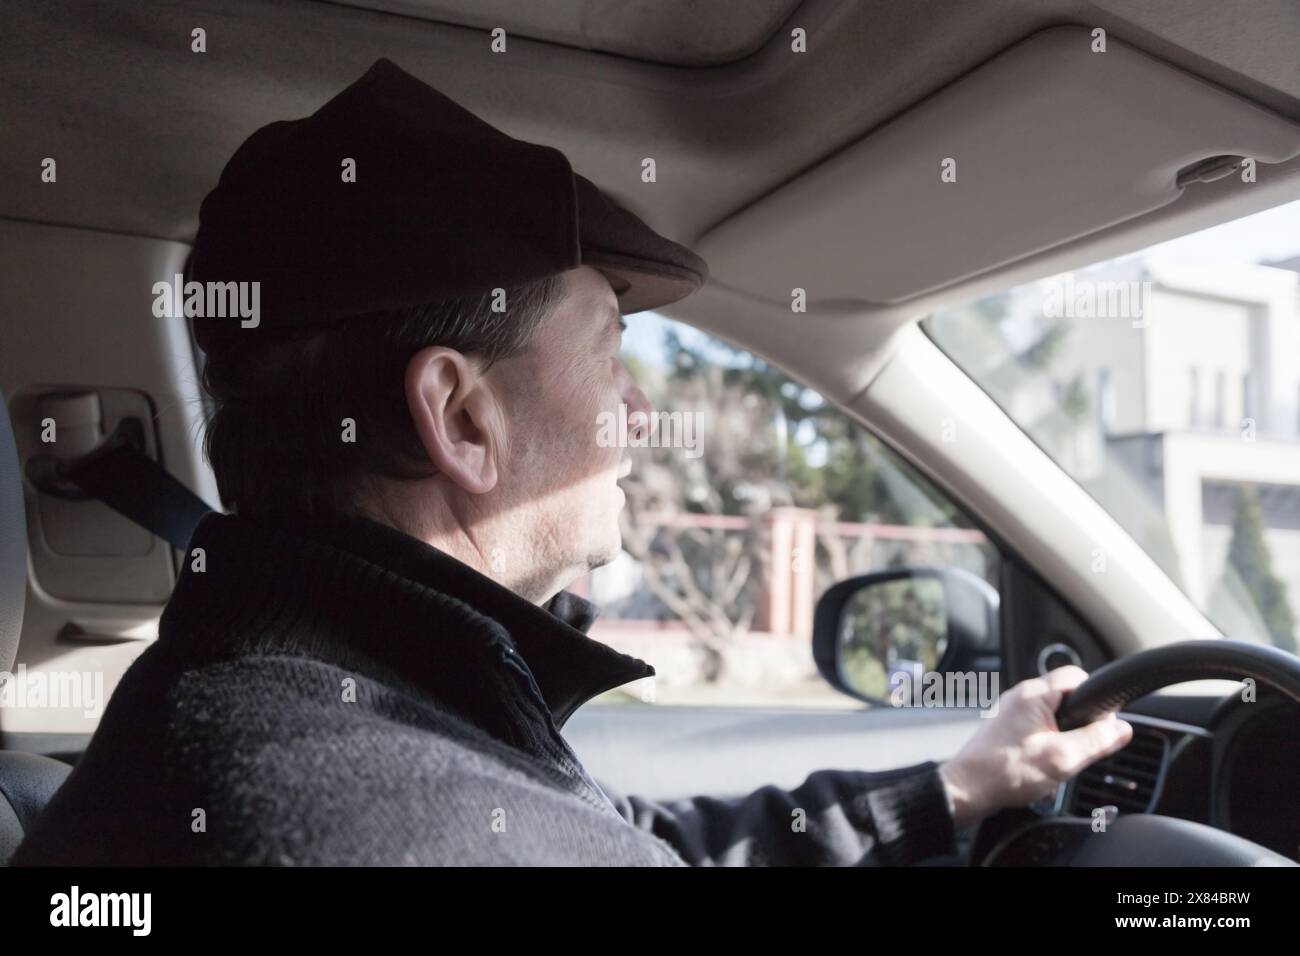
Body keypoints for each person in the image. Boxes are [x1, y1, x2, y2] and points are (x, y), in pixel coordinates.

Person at [14, 59, 1132, 866]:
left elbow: (621, 841)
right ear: (461, 418)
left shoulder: (270, 710)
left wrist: (951, 787)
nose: (639, 406)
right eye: (610, 352)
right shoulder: (388, 810)